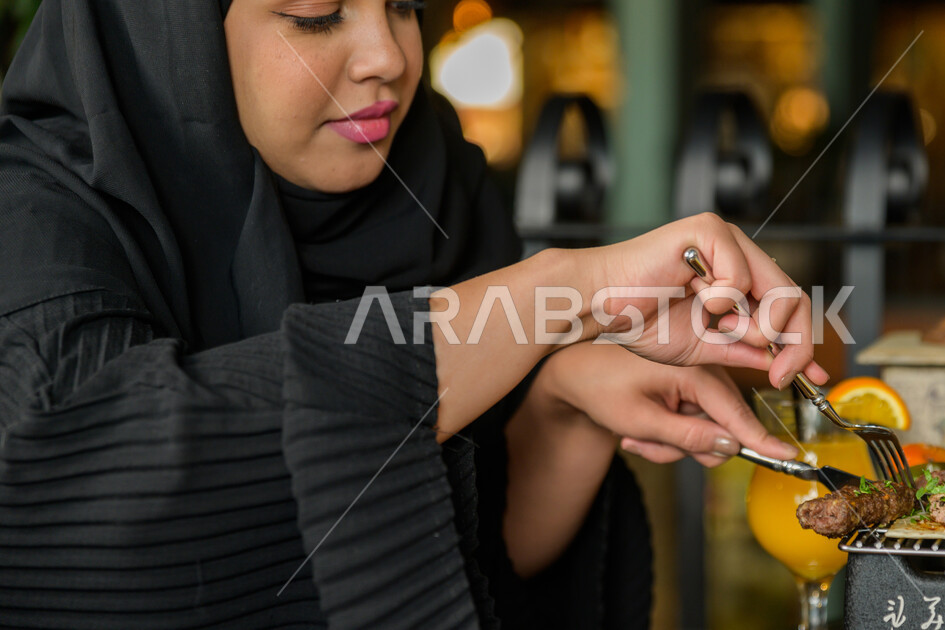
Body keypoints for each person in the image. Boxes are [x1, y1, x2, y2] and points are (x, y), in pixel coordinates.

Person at [0, 1, 826, 628]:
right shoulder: (36, 218)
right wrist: (552, 295)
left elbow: (467, 570)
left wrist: (561, 412)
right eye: (317, 15)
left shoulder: (432, 191)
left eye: (402, 5)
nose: (387, 58)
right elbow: (86, 511)